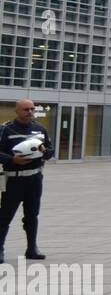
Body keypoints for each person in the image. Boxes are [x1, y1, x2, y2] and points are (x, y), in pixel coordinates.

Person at [0, 99, 53, 261]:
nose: (29, 112)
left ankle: (32, 248)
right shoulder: (5, 129)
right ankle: (0, 248)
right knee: (5, 216)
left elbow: (50, 150)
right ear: (17, 111)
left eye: (32, 109)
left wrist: (45, 151)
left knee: (32, 215)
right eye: (25, 109)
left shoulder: (40, 129)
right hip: (13, 180)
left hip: (34, 179)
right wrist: (11, 160)